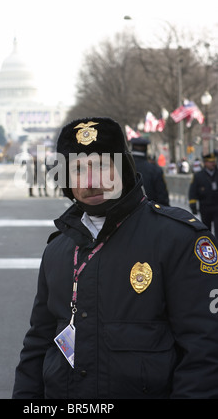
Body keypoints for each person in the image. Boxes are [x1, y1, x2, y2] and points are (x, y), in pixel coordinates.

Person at [12, 117, 218, 399]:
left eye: (101, 166)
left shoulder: (179, 239)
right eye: (78, 170)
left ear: (124, 169)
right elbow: (37, 346)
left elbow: (206, 351)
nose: (91, 181)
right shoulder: (58, 250)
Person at [130, 137, 169, 205]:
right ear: (146, 149)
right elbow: (162, 196)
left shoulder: (120, 167)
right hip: (150, 211)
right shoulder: (155, 170)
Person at [189, 152, 218, 235]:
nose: (213, 164)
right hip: (205, 207)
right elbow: (192, 191)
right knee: (206, 230)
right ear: (205, 163)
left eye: (214, 161)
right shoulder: (198, 176)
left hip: (217, 207)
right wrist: (193, 205)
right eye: (210, 162)